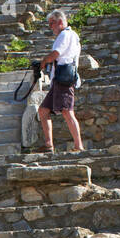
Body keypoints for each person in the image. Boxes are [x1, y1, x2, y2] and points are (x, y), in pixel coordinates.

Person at [37, 10, 85, 153]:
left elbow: (56, 54)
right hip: (59, 79)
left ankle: (79, 146)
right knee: (43, 110)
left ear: (59, 21)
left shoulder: (65, 35)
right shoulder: (72, 35)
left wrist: (44, 61)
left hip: (64, 78)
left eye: (51, 23)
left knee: (67, 112)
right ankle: (48, 144)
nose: (50, 27)